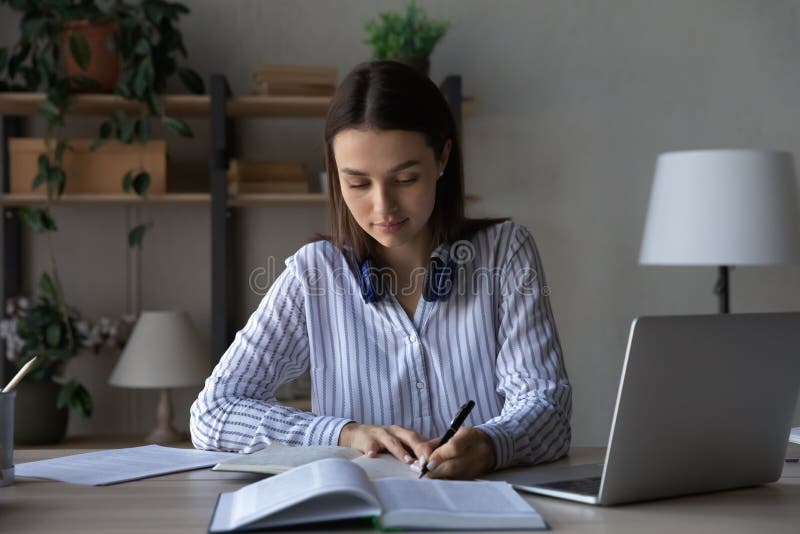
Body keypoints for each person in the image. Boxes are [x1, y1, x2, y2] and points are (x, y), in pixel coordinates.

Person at [190, 60, 571, 480]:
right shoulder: (313, 274)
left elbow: (548, 412)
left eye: (405, 179)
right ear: (335, 174)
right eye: (357, 183)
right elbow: (213, 412)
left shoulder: (506, 253)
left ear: (443, 157)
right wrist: (342, 433)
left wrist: (492, 444)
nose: (382, 207)